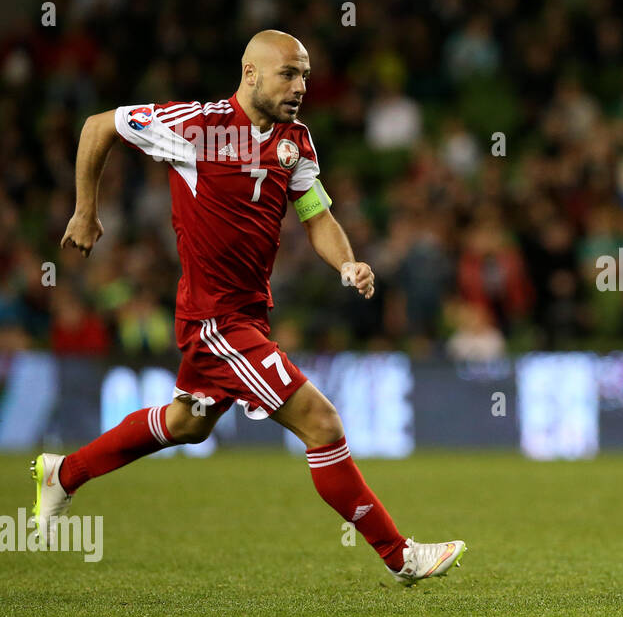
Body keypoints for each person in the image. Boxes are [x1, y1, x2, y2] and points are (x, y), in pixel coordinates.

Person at [36, 30, 465, 586]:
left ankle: (63, 473)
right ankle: (401, 556)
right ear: (250, 74)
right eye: (289, 73)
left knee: (186, 424)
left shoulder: (296, 142)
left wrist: (347, 264)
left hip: (245, 314)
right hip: (217, 320)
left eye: (305, 75)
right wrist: (85, 211)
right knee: (321, 421)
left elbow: (315, 215)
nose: (301, 86)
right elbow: (98, 126)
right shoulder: (195, 126)